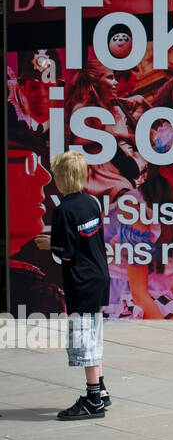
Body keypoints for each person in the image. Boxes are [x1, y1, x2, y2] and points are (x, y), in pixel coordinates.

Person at [38, 151, 112, 420]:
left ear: (61, 178)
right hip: (98, 277)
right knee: (94, 333)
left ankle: (93, 399)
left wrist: (50, 245)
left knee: (85, 341)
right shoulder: (92, 202)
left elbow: (65, 253)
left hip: (80, 282)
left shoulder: (64, 210)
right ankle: (101, 389)